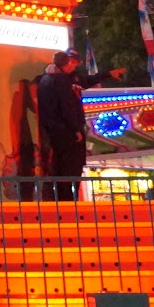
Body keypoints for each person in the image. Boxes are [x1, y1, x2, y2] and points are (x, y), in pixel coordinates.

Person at [35, 49, 125, 200]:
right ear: (67, 62)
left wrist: (107, 74)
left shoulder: (46, 79)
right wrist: (76, 128)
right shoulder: (61, 79)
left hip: (52, 131)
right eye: (73, 63)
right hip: (66, 132)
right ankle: (68, 202)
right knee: (70, 169)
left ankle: (59, 200)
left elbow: (85, 81)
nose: (74, 66)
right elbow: (66, 106)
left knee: (58, 169)